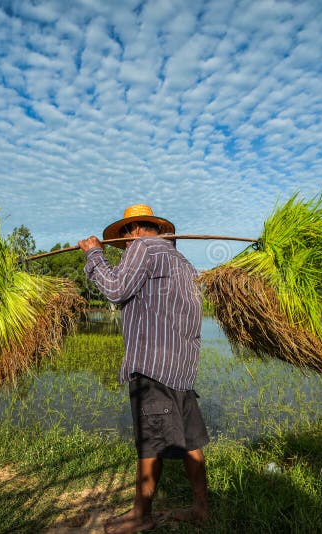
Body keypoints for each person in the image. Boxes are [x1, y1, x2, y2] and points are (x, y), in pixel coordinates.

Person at [78, 204, 210, 534]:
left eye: (123, 238)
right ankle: (202, 509)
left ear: (134, 229)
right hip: (182, 368)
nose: (123, 246)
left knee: (150, 444)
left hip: (152, 366)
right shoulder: (183, 262)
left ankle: (141, 516)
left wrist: (94, 255)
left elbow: (116, 289)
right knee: (191, 442)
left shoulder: (143, 247)